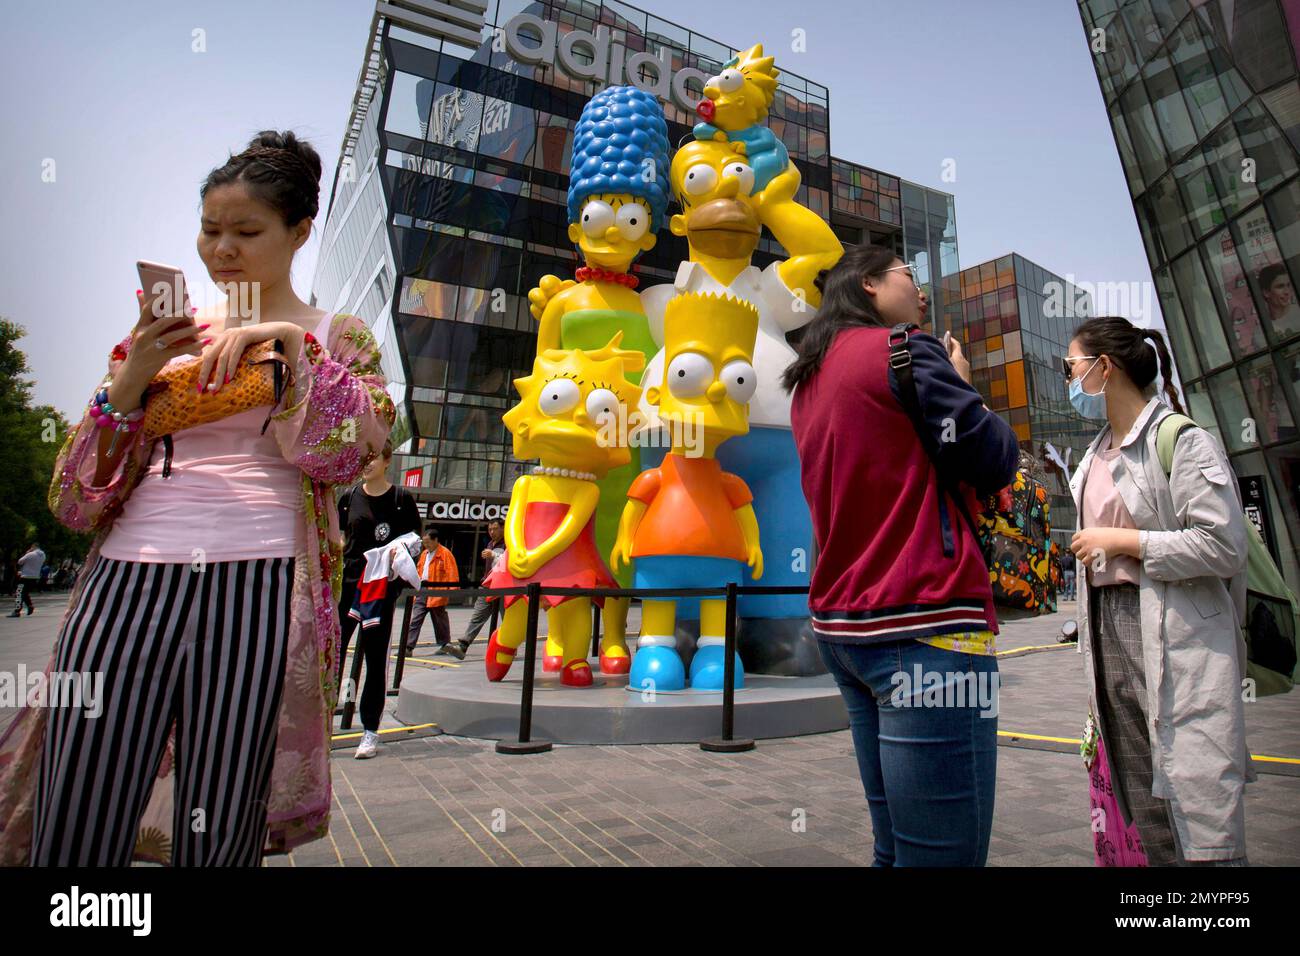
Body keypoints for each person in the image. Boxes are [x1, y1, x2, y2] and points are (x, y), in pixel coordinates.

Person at [0, 131, 394, 867]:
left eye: (247, 232)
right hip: (127, 575)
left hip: (264, 577)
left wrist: (291, 349)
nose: (223, 250)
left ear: (300, 232)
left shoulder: (335, 335)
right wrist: (133, 375)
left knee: (221, 810)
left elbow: (355, 448)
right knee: (81, 793)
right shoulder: (168, 334)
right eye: (210, 231)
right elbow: (75, 497)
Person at [783, 244, 1019, 867]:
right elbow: (994, 458)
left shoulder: (806, 381)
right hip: (925, 621)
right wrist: (965, 386)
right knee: (941, 855)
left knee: (894, 849)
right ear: (867, 285)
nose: (919, 293)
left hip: (843, 628)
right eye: (908, 278)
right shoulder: (906, 349)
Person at [1065, 316, 1253, 866]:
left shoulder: (1181, 440)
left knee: (1198, 804)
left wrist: (1125, 541)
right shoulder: (1094, 452)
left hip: (1174, 628)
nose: (1069, 378)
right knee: (1143, 803)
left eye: (1073, 365)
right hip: (1108, 632)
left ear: (1105, 367)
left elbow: (1223, 545)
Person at [337, 441, 421, 759]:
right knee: (333, 657)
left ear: (388, 461)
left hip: (380, 591)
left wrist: (398, 553)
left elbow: (415, 541)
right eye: (363, 458)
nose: (367, 463)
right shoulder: (349, 497)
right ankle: (319, 727)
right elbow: (342, 538)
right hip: (348, 587)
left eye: (374, 458)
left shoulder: (401, 500)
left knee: (375, 660)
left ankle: (370, 731)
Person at [439, 517, 505, 660]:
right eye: (490, 529)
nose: (492, 532)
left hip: (505, 587)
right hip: (487, 585)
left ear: (503, 528)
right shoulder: (490, 543)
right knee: (477, 616)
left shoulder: (509, 543)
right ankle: (463, 646)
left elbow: (510, 560)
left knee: (507, 618)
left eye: (495, 529)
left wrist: (493, 555)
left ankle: (508, 647)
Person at [405, 527, 459, 654]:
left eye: (428, 542)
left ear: (436, 540)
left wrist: (452, 590)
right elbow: (419, 570)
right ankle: (408, 647)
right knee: (416, 619)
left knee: (440, 620)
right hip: (422, 589)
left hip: (437, 590)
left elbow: (451, 572)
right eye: (424, 542)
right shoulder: (424, 554)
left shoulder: (445, 553)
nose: (426, 545)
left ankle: (445, 644)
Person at [1260, 263, 1300, 338]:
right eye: (1280, 286)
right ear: (1266, 292)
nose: (1287, 291)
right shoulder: (1261, 331)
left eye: (1288, 285)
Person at [10, 543, 45, 617]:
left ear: (33, 547)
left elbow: (20, 561)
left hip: (26, 576)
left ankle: (17, 611)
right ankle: (30, 606)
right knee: (25, 593)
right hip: (35, 577)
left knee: (19, 593)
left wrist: (27, 553)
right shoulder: (43, 555)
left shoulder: (30, 554)